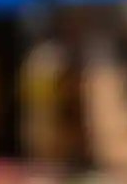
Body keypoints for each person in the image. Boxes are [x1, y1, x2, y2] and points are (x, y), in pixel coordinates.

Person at [21, 11, 94, 172]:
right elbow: (70, 105)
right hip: (57, 139)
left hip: (38, 136)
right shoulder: (61, 59)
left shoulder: (34, 59)